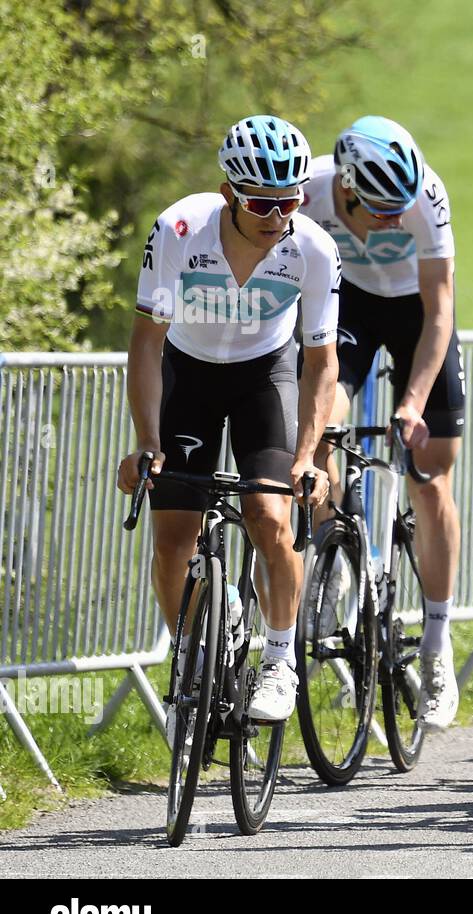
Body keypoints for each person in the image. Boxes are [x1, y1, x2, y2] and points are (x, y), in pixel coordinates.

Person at [117, 115, 338, 724]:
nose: (276, 216)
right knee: (171, 540)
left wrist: (305, 456)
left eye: (290, 201)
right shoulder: (180, 229)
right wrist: (146, 441)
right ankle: (190, 655)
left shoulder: (312, 249)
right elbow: (145, 342)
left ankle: (280, 659)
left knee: (271, 514)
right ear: (228, 195)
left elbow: (321, 363)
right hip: (189, 373)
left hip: (265, 376)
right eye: (262, 202)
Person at [298, 116, 462, 728]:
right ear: (344, 187)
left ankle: (438, 646)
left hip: (418, 310)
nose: (394, 219)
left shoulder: (427, 196)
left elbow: (441, 308)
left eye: (401, 208)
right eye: (380, 209)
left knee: (431, 475)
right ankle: (336, 554)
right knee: (317, 433)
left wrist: (412, 401)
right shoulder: (310, 188)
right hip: (350, 306)